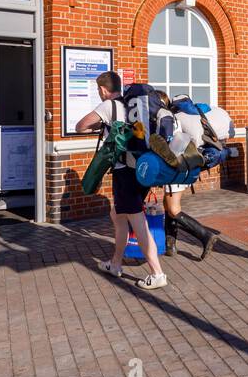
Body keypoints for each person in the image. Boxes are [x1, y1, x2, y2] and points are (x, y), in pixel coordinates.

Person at [75, 71, 167, 290]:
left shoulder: (109, 106)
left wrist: (100, 125)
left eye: (99, 91)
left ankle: (157, 273)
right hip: (141, 169)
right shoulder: (132, 106)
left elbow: (80, 126)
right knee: (117, 215)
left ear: (103, 90)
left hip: (124, 172)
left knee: (137, 220)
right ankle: (116, 263)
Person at [150, 91, 218, 261]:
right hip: (176, 167)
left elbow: (166, 146)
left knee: (173, 209)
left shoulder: (166, 119)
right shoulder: (168, 118)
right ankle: (170, 246)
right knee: (167, 206)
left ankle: (205, 236)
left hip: (176, 168)